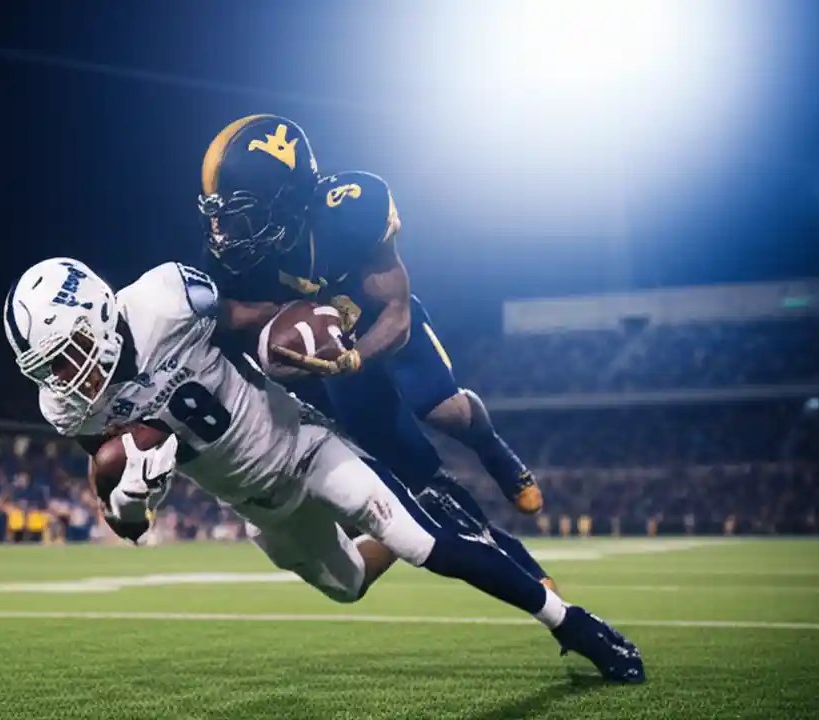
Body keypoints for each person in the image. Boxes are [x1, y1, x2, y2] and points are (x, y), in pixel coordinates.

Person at [2, 256, 644, 683]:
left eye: (70, 353)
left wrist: (296, 335)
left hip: (303, 444)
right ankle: (419, 504)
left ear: (101, 314)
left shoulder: (166, 300)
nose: (66, 376)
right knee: (349, 584)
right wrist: (134, 503)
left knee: (421, 543)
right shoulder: (68, 403)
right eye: (50, 369)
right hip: (258, 508)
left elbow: (253, 323)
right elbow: (120, 507)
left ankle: (572, 623)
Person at [195, 113, 555, 590]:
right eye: (223, 212)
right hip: (331, 364)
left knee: (443, 410)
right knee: (418, 476)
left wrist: (357, 357)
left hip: (377, 327)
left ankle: (494, 450)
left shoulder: (352, 209)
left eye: (244, 211)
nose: (228, 228)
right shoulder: (232, 264)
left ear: (286, 201)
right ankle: (525, 572)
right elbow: (233, 333)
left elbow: (397, 312)